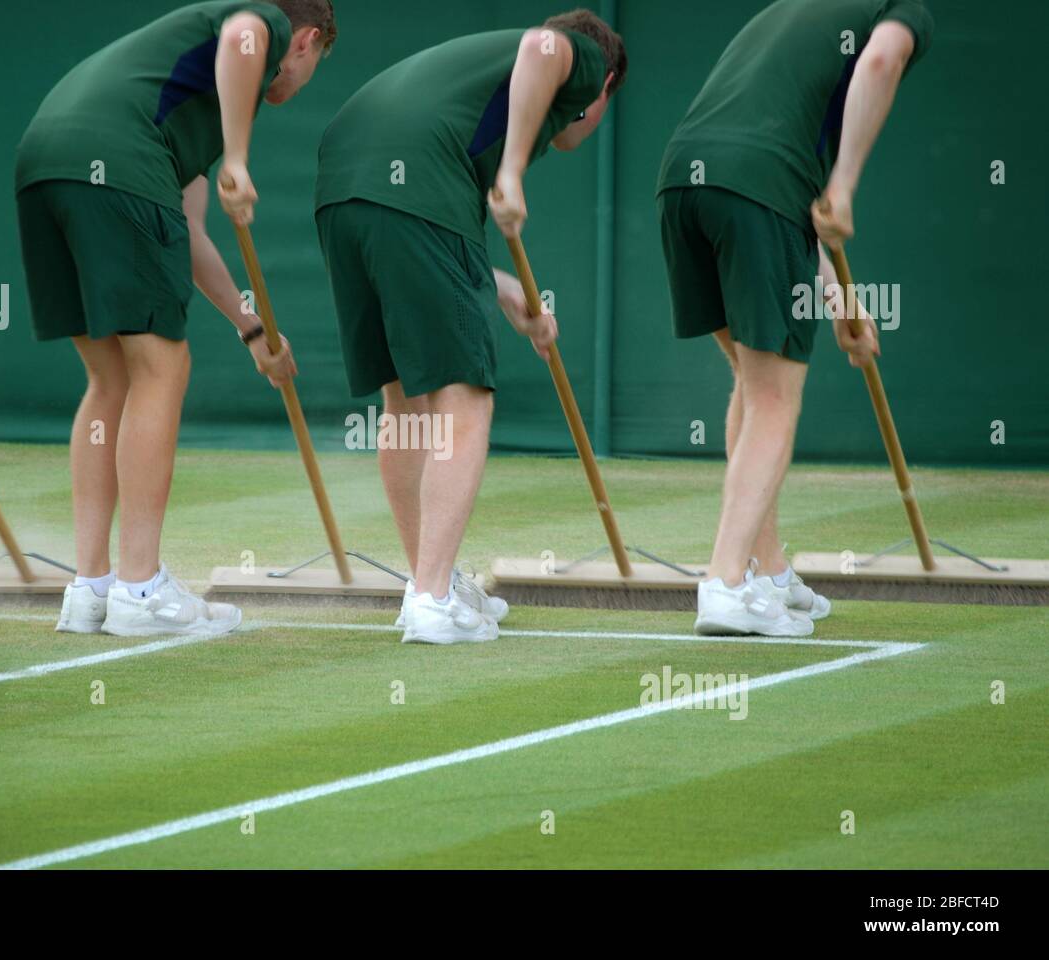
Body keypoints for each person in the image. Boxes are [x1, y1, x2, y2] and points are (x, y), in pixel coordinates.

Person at [15, 1, 336, 639]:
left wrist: (251, 328)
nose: (298, 82)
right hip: (113, 163)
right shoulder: (262, 25)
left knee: (110, 379)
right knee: (162, 367)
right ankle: (140, 590)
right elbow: (246, 35)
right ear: (307, 41)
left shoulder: (190, 105)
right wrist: (240, 159)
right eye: (313, 65)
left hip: (45, 166)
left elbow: (185, 227)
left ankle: (93, 588)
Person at [316, 9, 626, 644]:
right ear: (604, 87)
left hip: (342, 187)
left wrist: (499, 287)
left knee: (404, 398)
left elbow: (418, 227)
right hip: (415, 186)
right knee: (464, 398)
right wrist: (511, 172)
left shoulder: (473, 85)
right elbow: (547, 44)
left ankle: (428, 582)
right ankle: (432, 598)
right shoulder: (581, 58)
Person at [656, 0, 933, 637]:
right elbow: (885, 58)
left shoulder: (790, 13)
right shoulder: (899, 11)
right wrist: (845, 183)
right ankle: (725, 584)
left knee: (754, 386)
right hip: (758, 188)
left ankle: (767, 572)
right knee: (775, 398)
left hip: (683, 184)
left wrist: (841, 303)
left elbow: (776, 168)